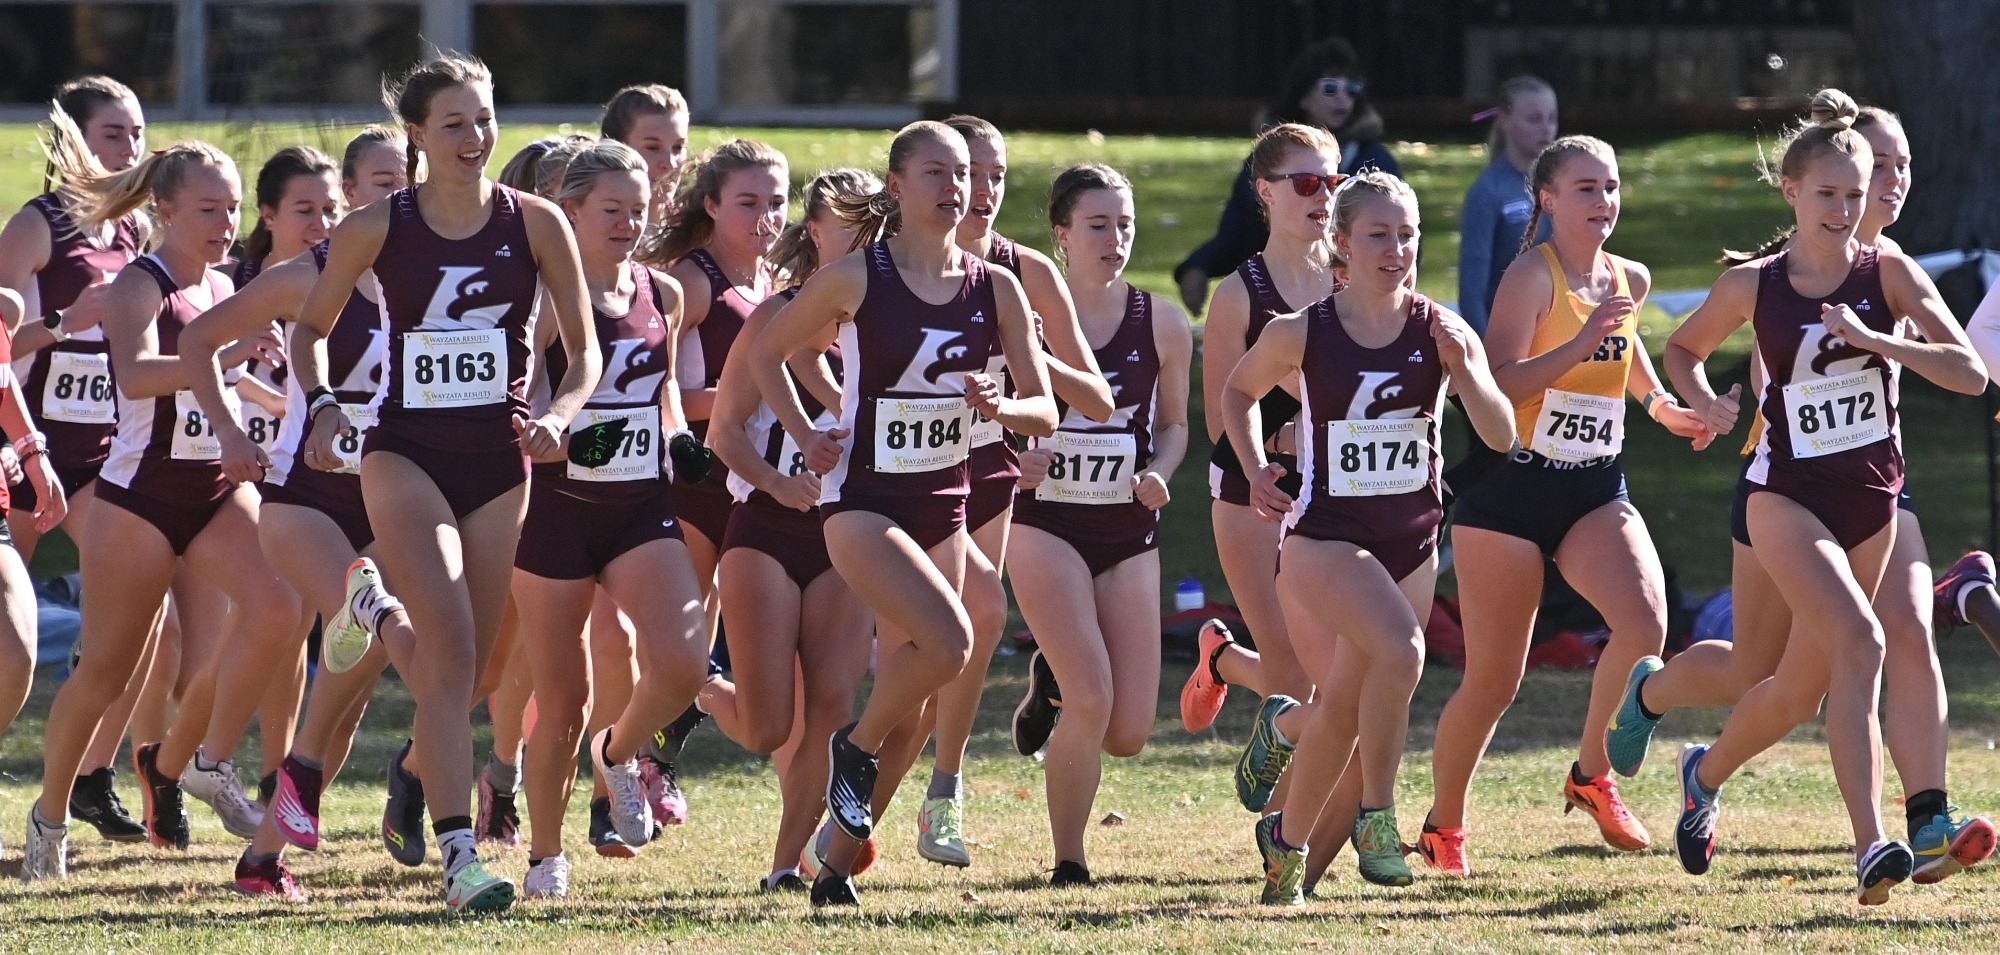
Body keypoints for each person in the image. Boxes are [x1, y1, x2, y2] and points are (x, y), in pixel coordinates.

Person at [1610, 103, 1996, 885]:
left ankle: (1702, 772)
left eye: (1856, 195)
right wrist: (1706, 402)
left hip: (1872, 496)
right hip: (1783, 494)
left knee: (1790, 683)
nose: (1846, 210)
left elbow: (1970, 372)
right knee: (1864, 641)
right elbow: (1682, 348)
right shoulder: (1755, 284)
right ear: (1791, 191)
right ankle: (1874, 845)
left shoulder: (1888, 273)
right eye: (1829, 194)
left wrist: (1882, 341)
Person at [292, 52, 602, 913]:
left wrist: (562, 413)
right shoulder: (377, 226)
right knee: (456, 648)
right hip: (403, 453)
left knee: (468, 675)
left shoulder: (538, 222)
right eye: (455, 123)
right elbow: (309, 328)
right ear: (419, 135)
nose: (475, 137)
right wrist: (321, 406)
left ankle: (374, 630)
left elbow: (585, 351)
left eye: (485, 119)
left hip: (501, 462)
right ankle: (462, 856)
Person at [748, 120, 1057, 906]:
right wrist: (808, 431)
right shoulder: (857, 278)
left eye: (965, 175)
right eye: (935, 173)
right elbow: (767, 352)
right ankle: (851, 748)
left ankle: (831, 871)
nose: (957, 187)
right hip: (862, 505)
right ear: (896, 185)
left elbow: (1047, 409)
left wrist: (1007, 403)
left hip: (944, 503)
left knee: (917, 700)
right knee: (953, 639)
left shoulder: (997, 286)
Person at [1420, 136, 1713, 875]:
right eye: (1585, 188)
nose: (1603, 202)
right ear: (1546, 199)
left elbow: (1629, 345)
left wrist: (1662, 407)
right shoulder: (1531, 276)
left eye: (1611, 187)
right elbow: (1499, 384)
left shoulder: (1627, 277)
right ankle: (1442, 826)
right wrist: (1581, 339)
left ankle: (1591, 774)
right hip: (1510, 488)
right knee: (1494, 679)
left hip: (1592, 484)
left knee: (1645, 622)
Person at [1227, 171, 1514, 901]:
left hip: (1411, 540)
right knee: (1403, 649)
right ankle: (1377, 814)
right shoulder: (1305, 330)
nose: (1396, 249)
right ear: (1343, 243)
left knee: (1346, 706)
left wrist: (1469, 372)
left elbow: (1502, 434)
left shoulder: (1441, 328)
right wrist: (1258, 467)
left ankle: (1285, 850)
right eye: (1379, 235)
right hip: (1324, 539)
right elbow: (1238, 389)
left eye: (1408, 233)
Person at [22, 141, 304, 881]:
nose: (226, 221)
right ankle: (49, 815)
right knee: (107, 672)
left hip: (212, 490)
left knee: (279, 608)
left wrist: (251, 375)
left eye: (234, 207)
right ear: (165, 210)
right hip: (137, 501)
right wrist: (221, 356)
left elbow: (216, 380)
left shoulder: (221, 286)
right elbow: (141, 376)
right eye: (209, 209)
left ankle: (202, 759)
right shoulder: (137, 287)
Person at [868, 114, 1111, 872]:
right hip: (898, 480)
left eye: (996, 174)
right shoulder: (887, 267)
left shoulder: (1021, 273)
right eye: (967, 171)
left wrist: (1030, 355)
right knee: (911, 657)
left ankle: (945, 790)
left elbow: (1095, 400)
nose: (981, 189)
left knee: (974, 623)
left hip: (986, 471)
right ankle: (848, 818)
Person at [179, 127, 416, 900]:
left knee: (348, 686)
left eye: (403, 180)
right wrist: (226, 430)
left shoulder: (434, 277)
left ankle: (264, 855)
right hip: (303, 499)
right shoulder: (308, 274)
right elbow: (198, 342)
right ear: (352, 196)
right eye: (380, 183)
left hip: (391, 495)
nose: (396, 195)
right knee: (369, 610)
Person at [505, 139, 711, 899]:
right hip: (557, 512)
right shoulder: (548, 300)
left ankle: (619, 754)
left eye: (639, 208)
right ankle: (546, 854)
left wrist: (681, 437)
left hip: (639, 507)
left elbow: (662, 392)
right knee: (562, 695)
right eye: (612, 210)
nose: (629, 222)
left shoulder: (664, 290)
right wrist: (561, 434)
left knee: (685, 664)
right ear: (571, 212)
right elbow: (520, 408)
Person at [1005, 163, 1191, 885]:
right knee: (1094, 696)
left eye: (1125, 224)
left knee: (1130, 731)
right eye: (1098, 225)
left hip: (1127, 528)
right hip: (1044, 523)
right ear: (1062, 235)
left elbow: (1175, 425)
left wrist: (1160, 473)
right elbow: (985, 407)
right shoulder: (1021, 314)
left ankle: (1050, 677)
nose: (1115, 239)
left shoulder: (1163, 321)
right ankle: (1068, 858)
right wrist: (1013, 457)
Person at [708, 168, 879, 891]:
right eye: (852, 225)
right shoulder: (774, 316)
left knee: (834, 710)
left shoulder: (890, 323)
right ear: (814, 232)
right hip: (767, 527)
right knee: (766, 725)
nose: (870, 241)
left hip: (847, 534)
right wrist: (781, 479)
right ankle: (691, 683)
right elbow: (722, 433)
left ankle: (787, 865)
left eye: (880, 226)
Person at [0, 77, 151, 844]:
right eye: (114, 134)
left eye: (137, 134)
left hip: (96, 457)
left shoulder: (134, 234)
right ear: (74, 143)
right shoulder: (35, 229)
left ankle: (90, 771)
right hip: (20, 454)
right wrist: (63, 320)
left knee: (137, 610)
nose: (131, 150)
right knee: (7, 634)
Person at [1179, 125, 1337, 822]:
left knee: (1325, 663)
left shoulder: (1357, 272)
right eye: (1307, 182)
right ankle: (1283, 825)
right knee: (1293, 664)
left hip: (1338, 490)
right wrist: (1275, 442)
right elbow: (1219, 420)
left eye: (1334, 182)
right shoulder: (1240, 295)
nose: (1322, 196)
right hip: (1253, 491)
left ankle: (1219, 659)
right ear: (1266, 192)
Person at [1174, 36, 1400, 316]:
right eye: (1330, 88)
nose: (1343, 98)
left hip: (1355, 301)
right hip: (1272, 299)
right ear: (1303, 95)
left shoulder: (1375, 160)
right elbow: (1237, 232)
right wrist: (1197, 267)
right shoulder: (1269, 161)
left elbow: (1401, 238)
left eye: (1352, 90)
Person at [1458, 76, 1557, 335]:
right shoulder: (1488, 192)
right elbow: (1471, 293)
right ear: (1503, 120)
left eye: (1552, 118)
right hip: (1507, 342)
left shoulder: (1565, 186)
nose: (1546, 128)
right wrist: (1485, 358)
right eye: (1534, 119)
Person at [599, 84, 692, 226]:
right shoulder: (589, 229)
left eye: (678, 147)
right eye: (653, 148)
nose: (670, 164)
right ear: (615, 148)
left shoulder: (697, 230)